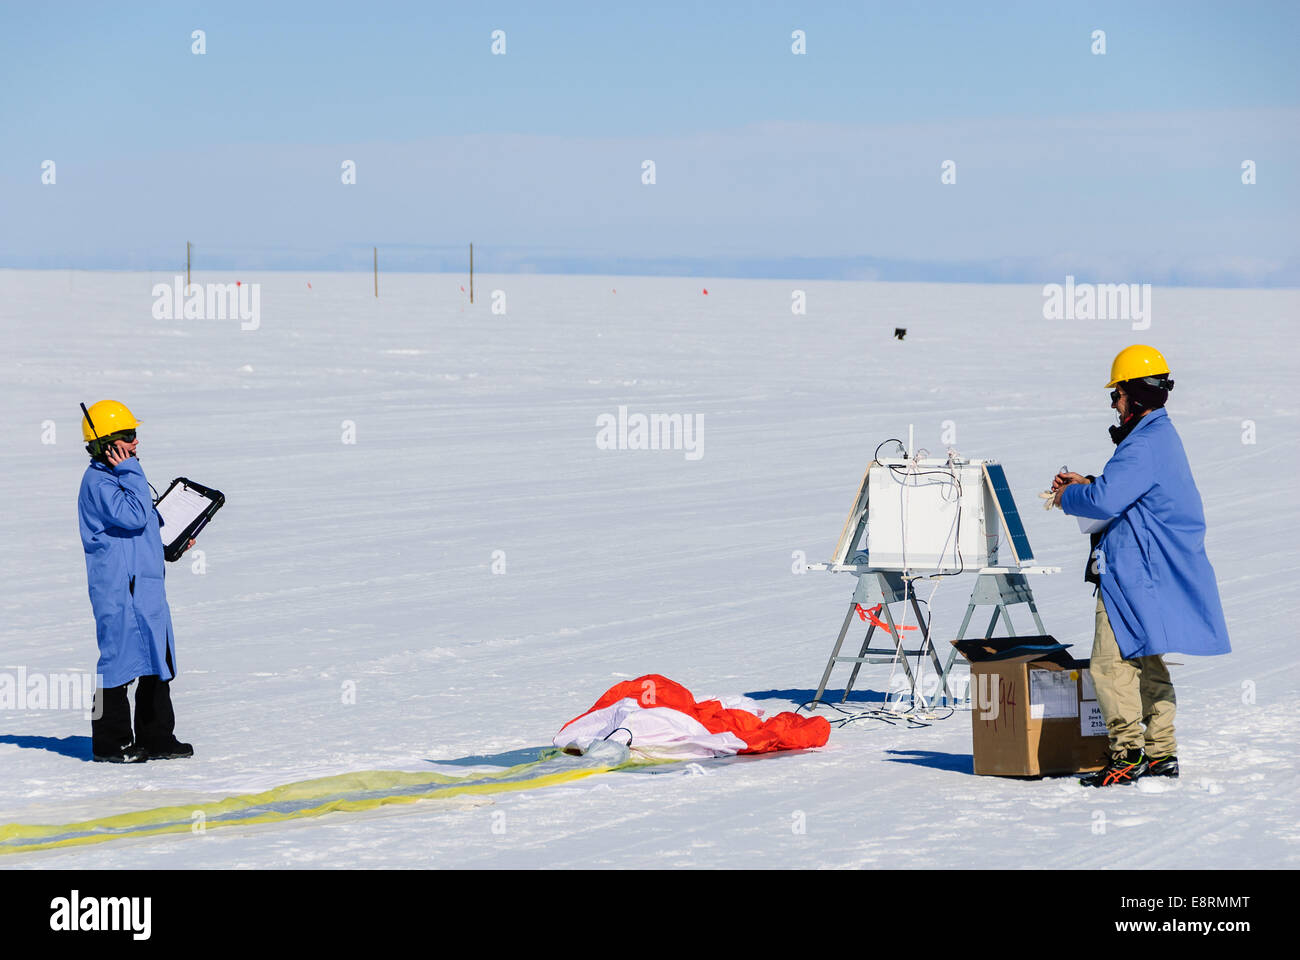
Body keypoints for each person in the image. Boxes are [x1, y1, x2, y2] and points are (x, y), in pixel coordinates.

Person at [1051, 346, 1230, 787]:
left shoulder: (1144, 443)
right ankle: (1162, 752)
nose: (1113, 403)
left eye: (1117, 394)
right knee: (1148, 662)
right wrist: (1091, 482)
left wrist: (1067, 496)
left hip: (1132, 577)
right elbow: (1126, 492)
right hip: (1150, 575)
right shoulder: (1159, 437)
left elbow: (1108, 501)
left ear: (1135, 395)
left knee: (1111, 666)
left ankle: (1126, 754)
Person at [78, 400, 194, 763]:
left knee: (157, 659)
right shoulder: (99, 481)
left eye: (135, 434)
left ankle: (157, 737)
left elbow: (142, 526)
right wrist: (130, 471)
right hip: (118, 589)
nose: (136, 443)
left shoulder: (123, 476)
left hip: (144, 585)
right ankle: (109, 744)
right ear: (107, 443)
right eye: (128, 436)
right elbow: (130, 516)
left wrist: (170, 542)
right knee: (116, 661)